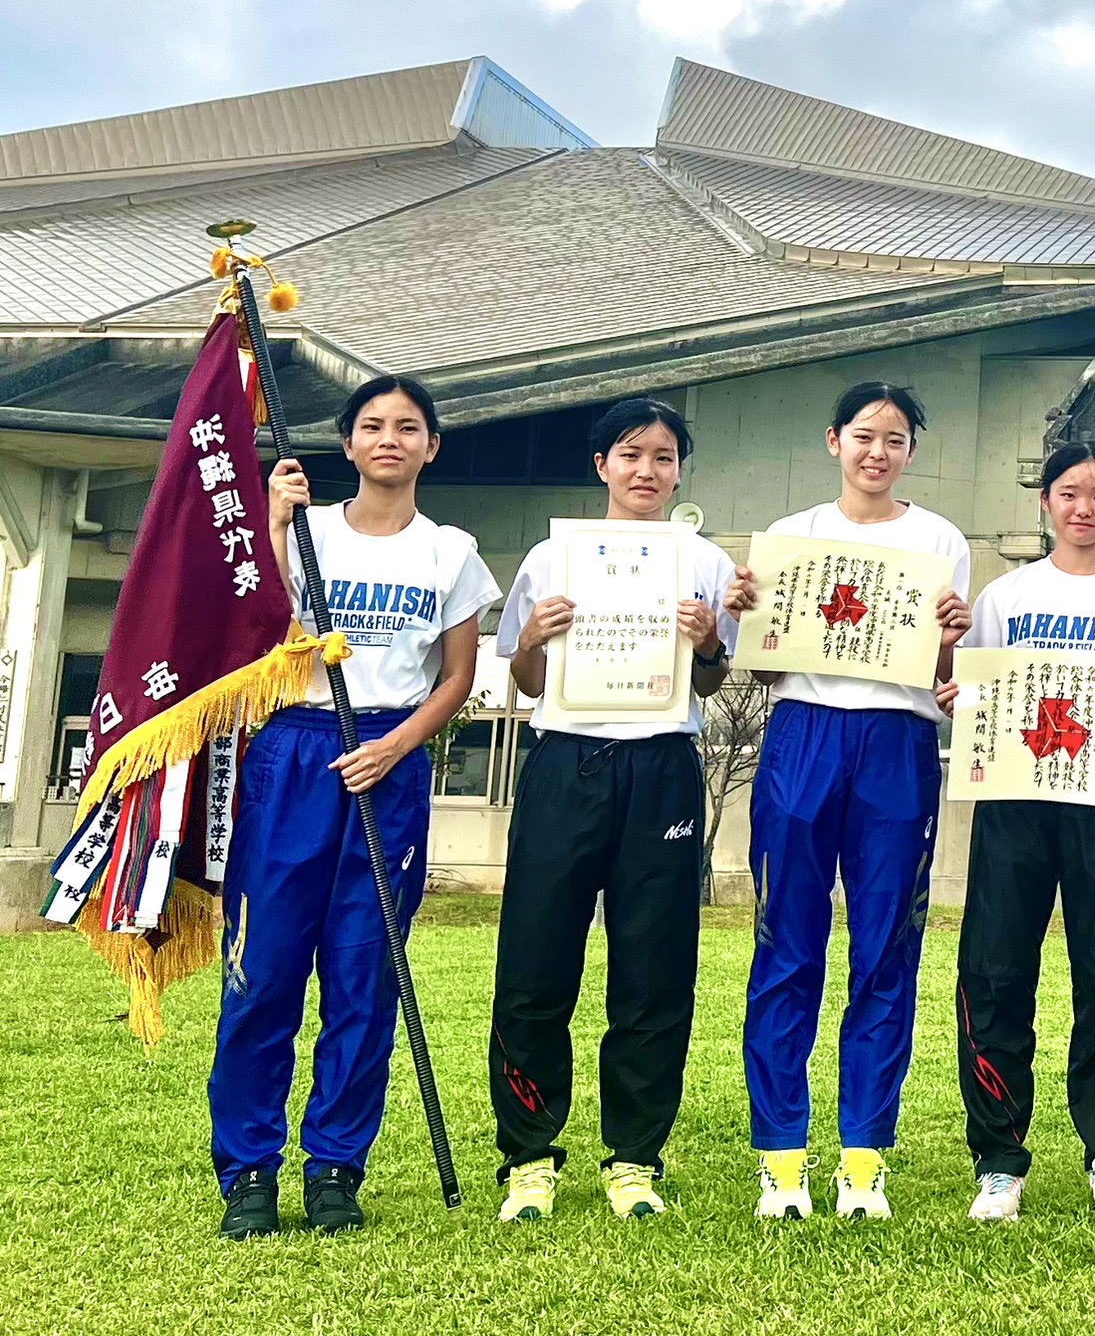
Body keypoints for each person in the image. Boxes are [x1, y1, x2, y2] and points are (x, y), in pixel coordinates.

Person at [211, 376, 500, 1239]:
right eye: (372, 425)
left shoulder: (450, 551)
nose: (389, 438)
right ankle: (248, 1168)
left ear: (431, 446)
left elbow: (456, 677)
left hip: (387, 756)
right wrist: (273, 523)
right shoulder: (307, 531)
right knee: (262, 970)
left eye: (408, 426)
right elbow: (253, 632)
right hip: (296, 747)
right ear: (347, 443)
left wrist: (396, 746)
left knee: (364, 976)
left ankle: (336, 1164)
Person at [723, 383, 972, 1222]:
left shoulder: (937, 538)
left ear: (911, 452)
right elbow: (764, 667)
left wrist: (953, 634)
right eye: (864, 435)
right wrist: (746, 616)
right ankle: (781, 1158)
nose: (877, 451)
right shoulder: (792, 534)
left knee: (886, 949)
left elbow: (943, 672)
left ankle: (863, 1160)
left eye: (895, 439)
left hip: (896, 742)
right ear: (834, 440)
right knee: (785, 944)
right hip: (803, 732)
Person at [489, 398, 738, 1223]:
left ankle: (634, 1157)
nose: (646, 470)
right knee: (534, 963)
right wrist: (532, 636)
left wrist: (708, 643)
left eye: (663, 457)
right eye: (631, 453)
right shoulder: (551, 556)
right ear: (601, 464)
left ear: (679, 471)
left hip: (661, 766)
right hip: (566, 761)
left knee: (654, 970)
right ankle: (529, 1156)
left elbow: (710, 682)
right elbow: (526, 678)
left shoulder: (703, 562)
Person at [952, 440, 1095, 1225]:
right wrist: (957, 697)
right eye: (1069, 492)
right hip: (1015, 800)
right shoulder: (1005, 595)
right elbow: (972, 691)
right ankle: (998, 1161)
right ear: (1044, 500)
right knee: (994, 973)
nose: (1083, 507)